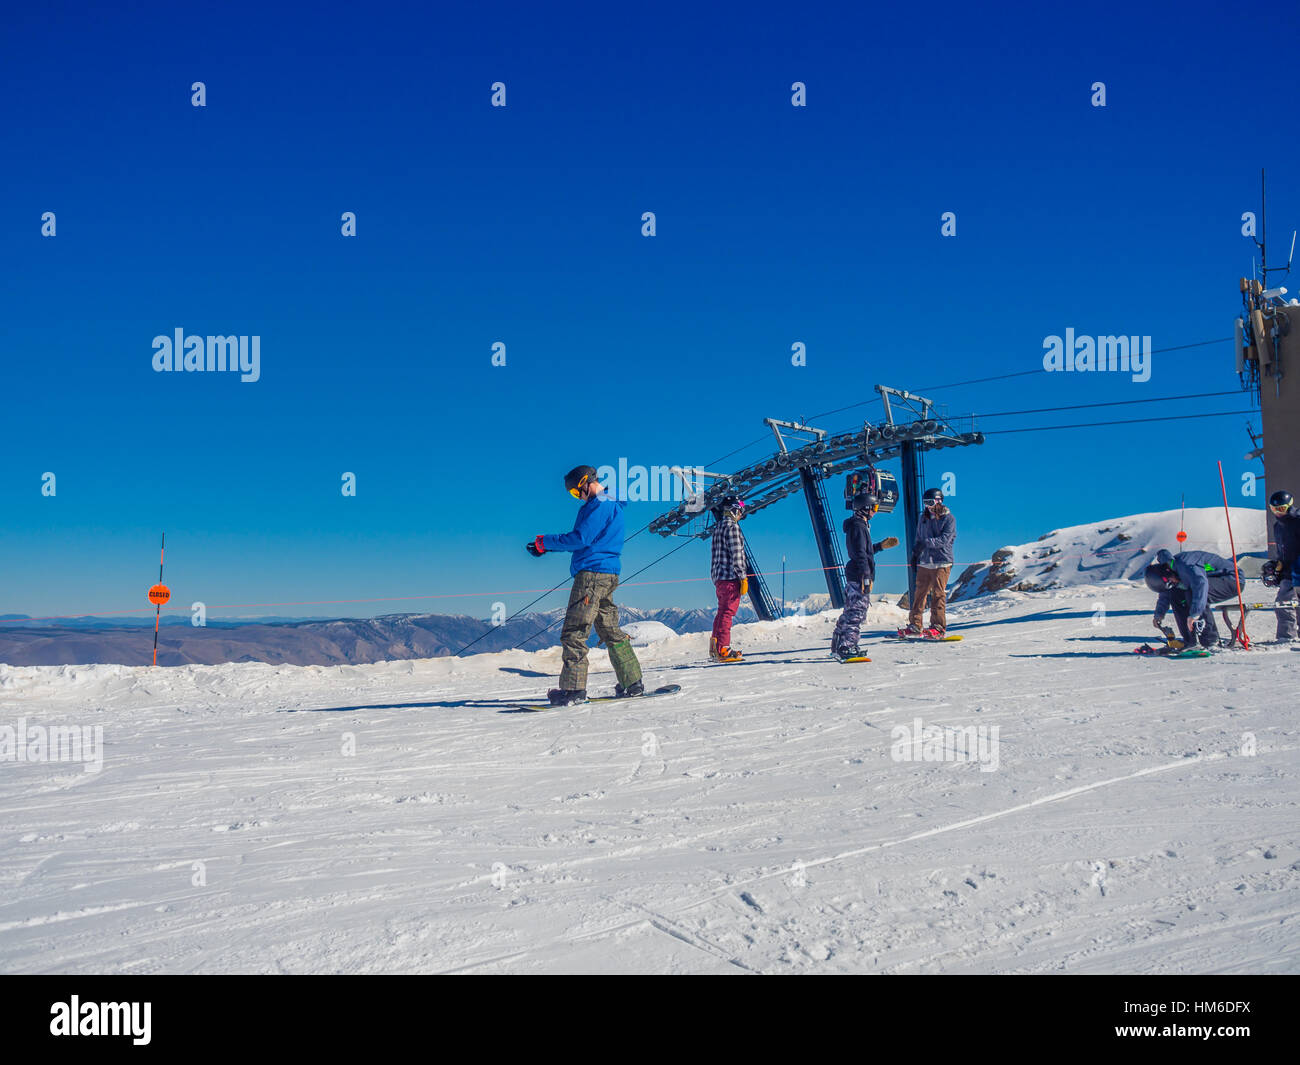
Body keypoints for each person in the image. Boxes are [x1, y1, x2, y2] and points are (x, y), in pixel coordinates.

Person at [526, 465, 643, 706]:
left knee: (574, 632)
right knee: (610, 630)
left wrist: (543, 543)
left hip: (591, 575)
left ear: (585, 483)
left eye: (574, 492)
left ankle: (573, 691)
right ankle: (633, 683)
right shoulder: (611, 502)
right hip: (608, 574)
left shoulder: (599, 504)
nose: (576, 497)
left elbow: (581, 538)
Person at [831, 490, 899, 660]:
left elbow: (863, 551)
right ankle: (847, 647)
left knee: (850, 610)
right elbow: (860, 554)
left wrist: (880, 546)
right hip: (859, 575)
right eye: (874, 507)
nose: (875, 511)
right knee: (857, 612)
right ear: (865, 508)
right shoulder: (859, 527)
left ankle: (838, 644)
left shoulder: (858, 526)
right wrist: (866, 576)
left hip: (855, 573)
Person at [1144, 548, 1240, 650]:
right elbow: (1167, 593)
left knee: (1195, 593)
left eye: (1170, 582)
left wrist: (1195, 614)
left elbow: (1201, 584)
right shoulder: (1170, 573)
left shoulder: (1185, 565)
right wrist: (1159, 615)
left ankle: (1210, 641)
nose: (1172, 584)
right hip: (1210, 581)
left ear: (1167, 572)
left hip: (1233, 579)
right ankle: (1190, 640)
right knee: (1175, 593)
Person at [901, 488, 955, 639]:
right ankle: (915, 625)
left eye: (930, 502)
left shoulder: (949, 519)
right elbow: (919, 537)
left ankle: (938, 627)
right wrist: (915, 555)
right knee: (919, 594)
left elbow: (944, 540)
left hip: (941, 562)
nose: (928, 506)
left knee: (938, 595)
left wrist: (926, 543)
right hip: (925, 562)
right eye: (925, 503)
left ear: (939, 501)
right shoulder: (923, 518)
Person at [709, 496, 748, 662]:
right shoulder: (733, 528)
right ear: (734, 510)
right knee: (727, 613)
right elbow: (737, 554)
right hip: (730, 577)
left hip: (719, 577)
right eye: (740, 510)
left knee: (721, 612)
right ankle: (724, 648)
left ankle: (715, 647)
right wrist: (743, 577)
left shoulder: (718, 528)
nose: (740, 514)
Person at [1268, 490, 1300, 642]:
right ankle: (1287, 636)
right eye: (1274, 509)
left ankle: (1287, 637)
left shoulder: (1298, 521)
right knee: (1284, 603)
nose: (1277, 512)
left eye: (1281, 509)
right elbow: (1282, 551)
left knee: (1285, 603)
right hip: (1289, 573)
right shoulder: (1278, 526)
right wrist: (1277, 565)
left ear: (1289, 506)